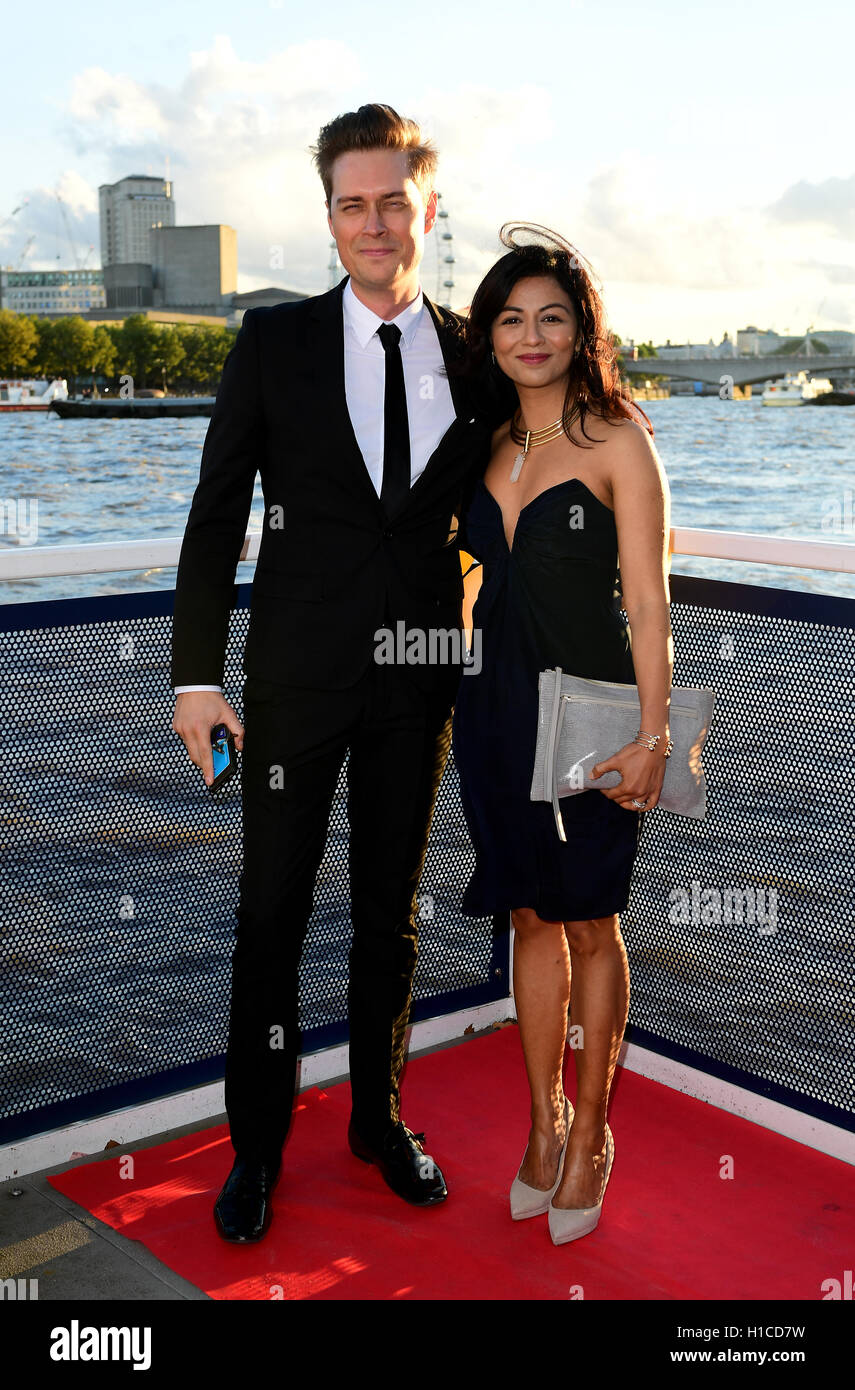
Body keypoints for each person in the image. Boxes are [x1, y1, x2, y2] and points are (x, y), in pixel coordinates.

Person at [170, 104, 493, 1242]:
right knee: (271, 915)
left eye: (393, 202)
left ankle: (376, 1119)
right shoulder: (274, 343)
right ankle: (257, 1147)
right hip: (293, 683)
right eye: (352, 204)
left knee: (389, 917)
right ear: (329, 217)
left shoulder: (478, 353)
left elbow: (534, 478)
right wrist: (195, 677)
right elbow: (216, 515)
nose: (374, 223)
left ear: (426, 210)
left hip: (419, 677)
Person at [451, 225, 673, 1245]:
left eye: (550, 317)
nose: (530, 336)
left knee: (589, 922)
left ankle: (590, 1135)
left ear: (582, 331)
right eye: (510, 319)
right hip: (493, 714)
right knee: (530, 917)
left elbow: (649, 603)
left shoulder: (619, 439)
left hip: (590, 716)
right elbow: (463, 577)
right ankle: (539, 1127)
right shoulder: (486, 442)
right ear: (490, 336)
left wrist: (654, 737)